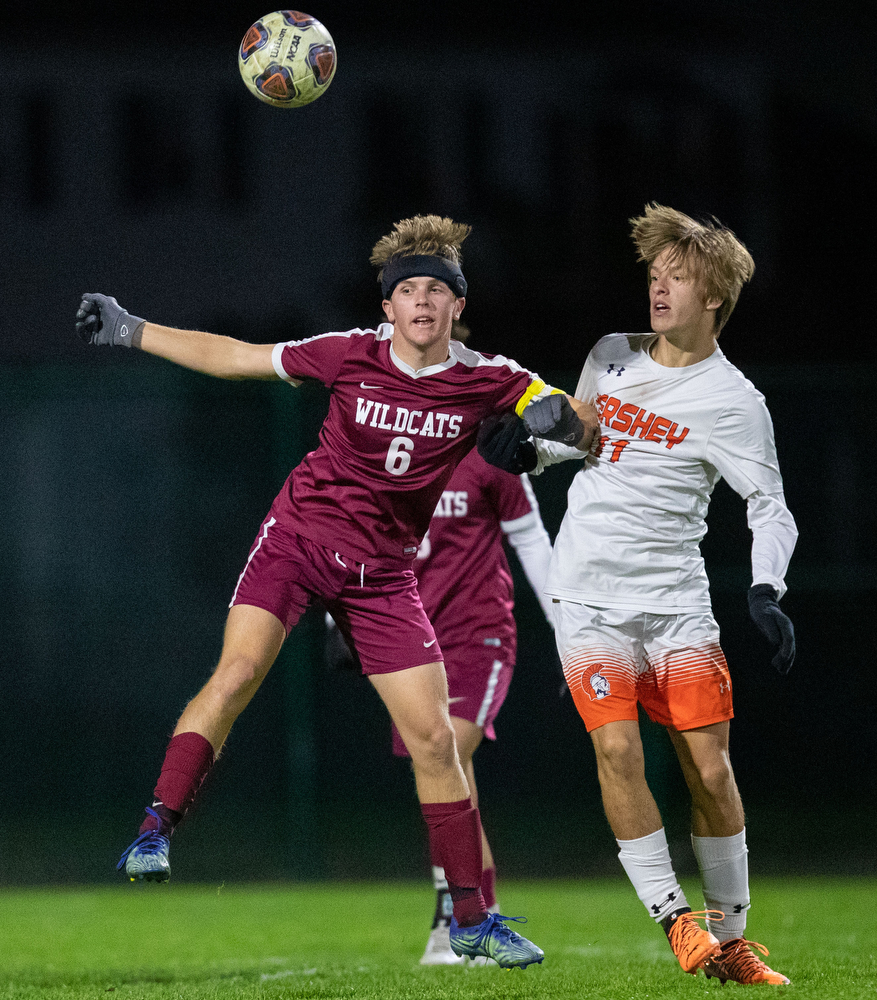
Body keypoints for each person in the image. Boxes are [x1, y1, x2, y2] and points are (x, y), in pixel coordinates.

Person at [75, 214, 598, 969]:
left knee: (435, 742)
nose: (422, 301)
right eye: (408, 290)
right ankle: (156, 828)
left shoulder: (493, 379)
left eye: (437, 290)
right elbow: (236, 357)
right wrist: (133, 331)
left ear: (458, 305)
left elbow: (583, 423)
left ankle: (471, 922)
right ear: (388, 306)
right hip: (298, 541)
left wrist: (556, 432)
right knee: (239, 673)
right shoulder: (350, 353)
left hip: (383, 576)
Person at [478, 203, 798, 985]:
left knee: (710, 772)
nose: (658, 289)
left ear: (713, 296)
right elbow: (581, 441)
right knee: (617, 749)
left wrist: (766, 589)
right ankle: (675, 920)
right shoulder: (612, 355)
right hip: (587, 596)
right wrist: (526, 451)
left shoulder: (734, 401)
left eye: (677, 278)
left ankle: (731, 940)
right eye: (654, 275)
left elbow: (770, 507)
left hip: (676, 603)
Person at [328, 321, 557, 965]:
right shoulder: (385, 448)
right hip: (410, 642)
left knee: (447, 750)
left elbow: (532, 540)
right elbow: (351, 537)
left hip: (481, 635)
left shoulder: (489, 448)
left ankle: (452, 916)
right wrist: (336, 621)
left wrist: (571, 632)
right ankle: (473, 912)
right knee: (447, 774)